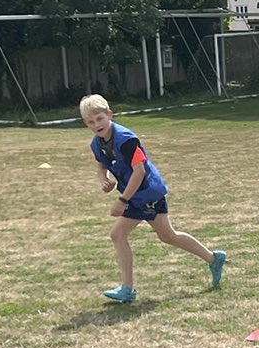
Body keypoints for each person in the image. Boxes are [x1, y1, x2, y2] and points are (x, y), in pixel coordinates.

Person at [83, 95, 223, 303]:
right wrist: (104, 179)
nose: (96, 125)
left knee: (119, 235)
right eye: (91, 122)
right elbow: (101, 163)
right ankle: (213, 258)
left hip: (146, 194)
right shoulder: (98, 143)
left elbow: (139, 172)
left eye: (100, 119)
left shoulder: (127, 139)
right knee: (167, 236)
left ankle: (127, 290)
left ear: (110, 115)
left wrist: (122, 200)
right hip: (136, 196)